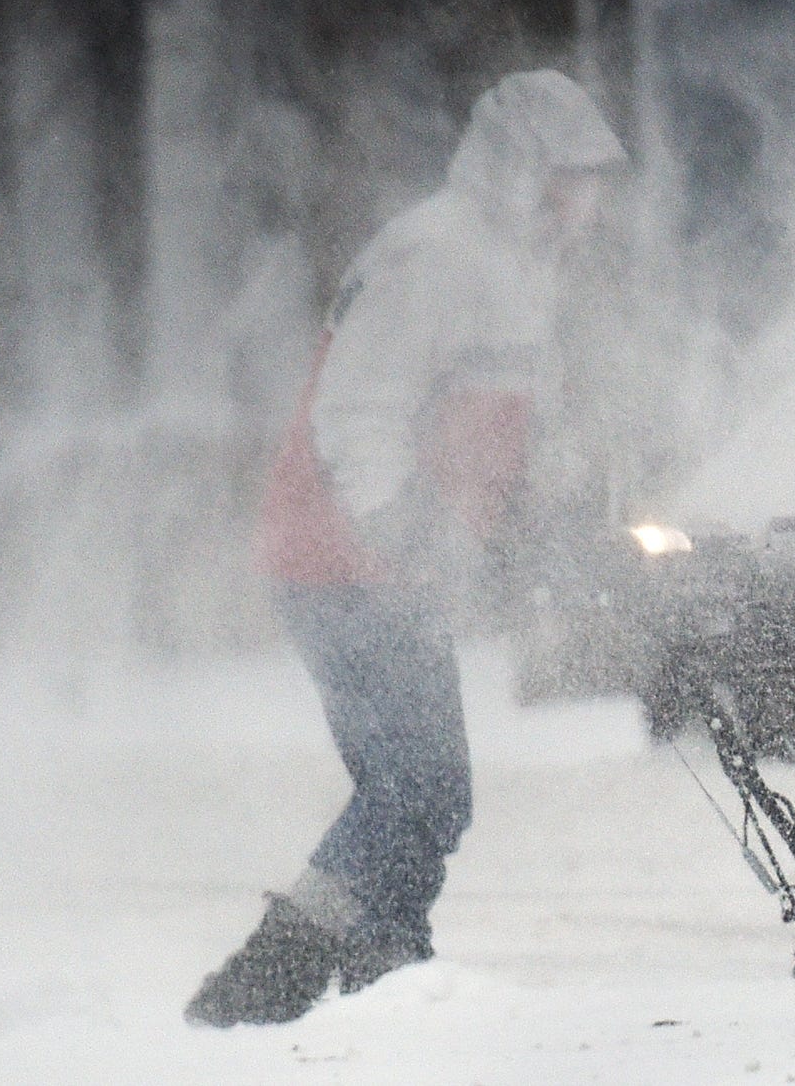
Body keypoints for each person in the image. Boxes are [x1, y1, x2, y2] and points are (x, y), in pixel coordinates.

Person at [185, 70, 627, 1028]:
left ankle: (389, 974)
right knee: (417, 788)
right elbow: (358, 415)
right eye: (574, 177)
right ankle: (271, 980)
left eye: (596, 180)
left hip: (389, 563)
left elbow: (496, 424)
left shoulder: (514, 265)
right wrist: (407, 534)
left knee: (419, 791)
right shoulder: (438, 255)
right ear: (524, 172)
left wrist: (532, 523)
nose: (590, 201)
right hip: (341, 558)